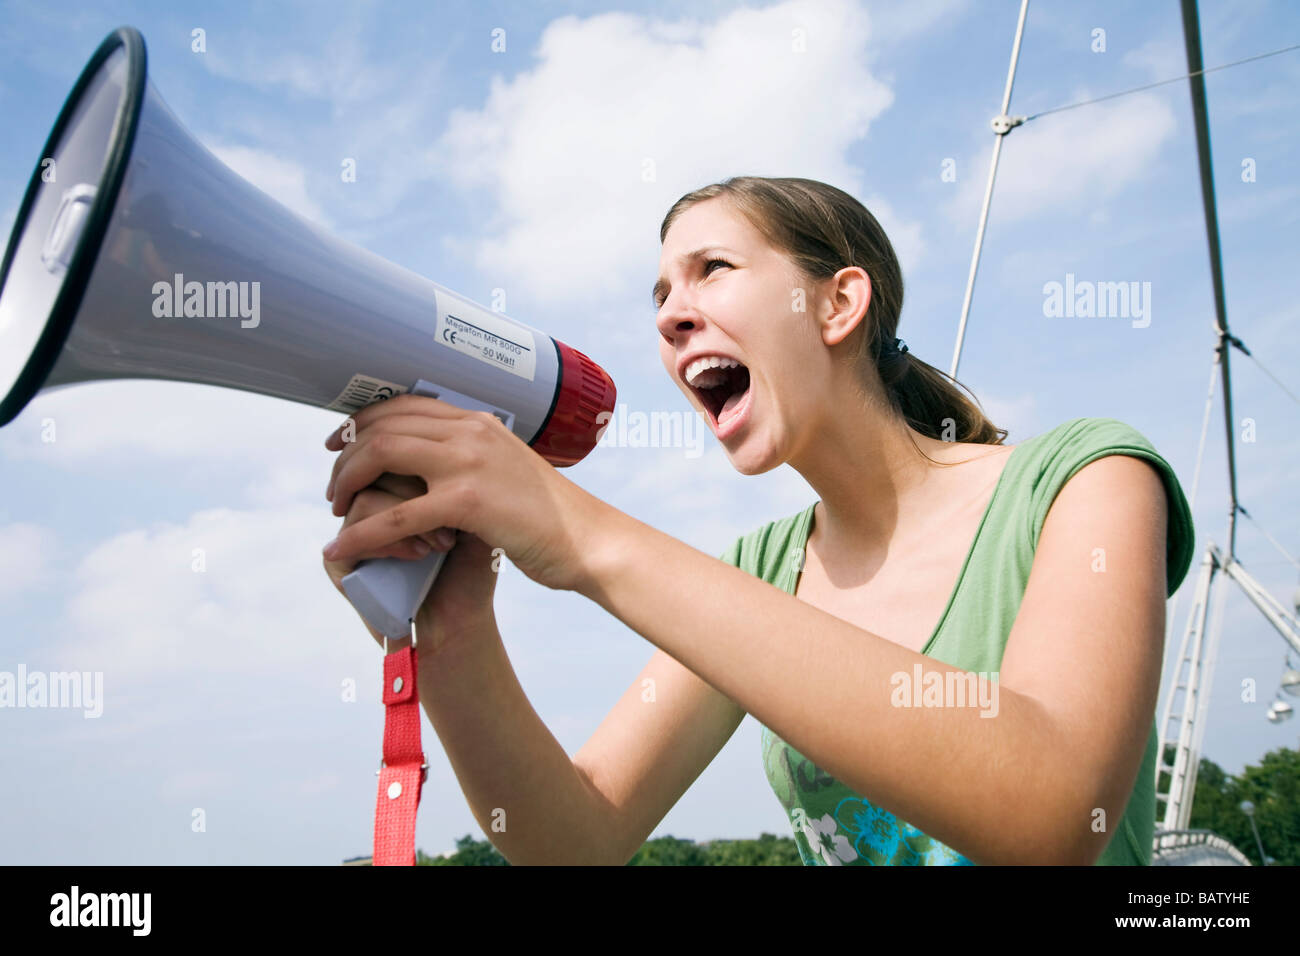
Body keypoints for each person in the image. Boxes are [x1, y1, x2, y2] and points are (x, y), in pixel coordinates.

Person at [320, 175, 1195, 866]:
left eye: (713, 269)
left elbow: (1053, 814)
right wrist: (454, 630)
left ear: (837, 304)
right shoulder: (759, 572)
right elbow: (574, 839)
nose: (668, 314)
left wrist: (578, 531)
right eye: (660, 293)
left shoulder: (1088, 479)